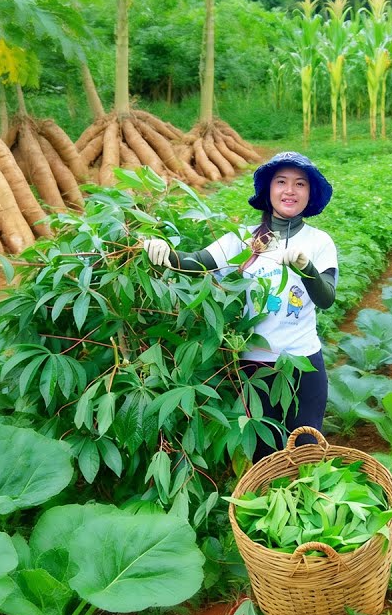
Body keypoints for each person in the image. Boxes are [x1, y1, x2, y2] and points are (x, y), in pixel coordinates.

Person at [142, 151, 338, 460]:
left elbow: (326, 298)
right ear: (268, 190)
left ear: (309, 193)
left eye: (300, 184)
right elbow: (197, 264)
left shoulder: (319, 242)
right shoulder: (243, 239)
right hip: (255, 367)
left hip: (305, 365)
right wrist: (165, 252)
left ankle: (305, 502)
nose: (290, 190)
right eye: (281, 182)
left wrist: (307, 268)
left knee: (307, 451)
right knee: (265, 454)